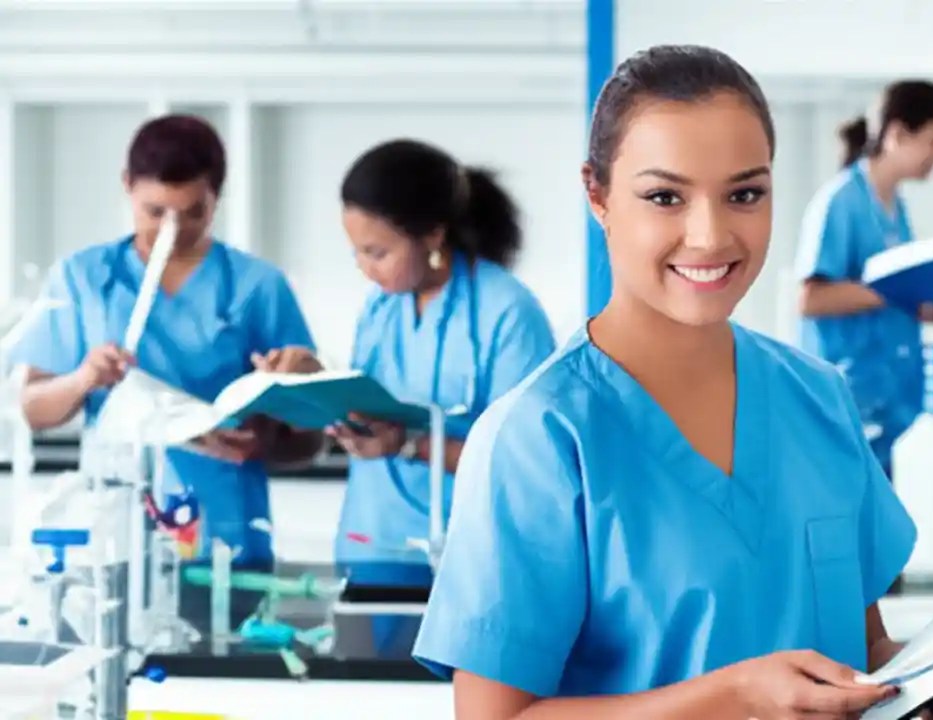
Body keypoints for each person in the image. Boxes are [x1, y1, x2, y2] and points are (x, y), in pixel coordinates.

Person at [413, 45, 933, 720]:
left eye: (744, 194)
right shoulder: (537, 436)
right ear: (598, 196)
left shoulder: (819, 399)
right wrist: (732, 698)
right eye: (664, 197)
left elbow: (863, 655)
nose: (709, 236)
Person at [9, 114, 322, 568]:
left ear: (218, 196)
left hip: (224, 532)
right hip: (116, 534)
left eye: (194, 212)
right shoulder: (84, 278)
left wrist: (266, 435)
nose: (172, 229)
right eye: (155, 212)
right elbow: (32, 410)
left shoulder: (258, 286)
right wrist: (83, 380)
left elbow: (310, 438)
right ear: (127, 186)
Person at [327, 139, 556, 588]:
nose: (364, 269)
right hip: (370, 547)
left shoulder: (507, 312)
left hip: (466, 561)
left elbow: (528, 462)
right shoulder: (380, 309)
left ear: (432, 235)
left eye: (377, 253)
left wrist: (409, 445)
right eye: (356, 252)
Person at [794, 80, 933, 476]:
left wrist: (930, 300)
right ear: (898, 135)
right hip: (848, 402)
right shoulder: (841, 201)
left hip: (892, 401)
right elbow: (810, 299)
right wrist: (895, 292)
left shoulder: (896, 208)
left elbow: (889, 298)